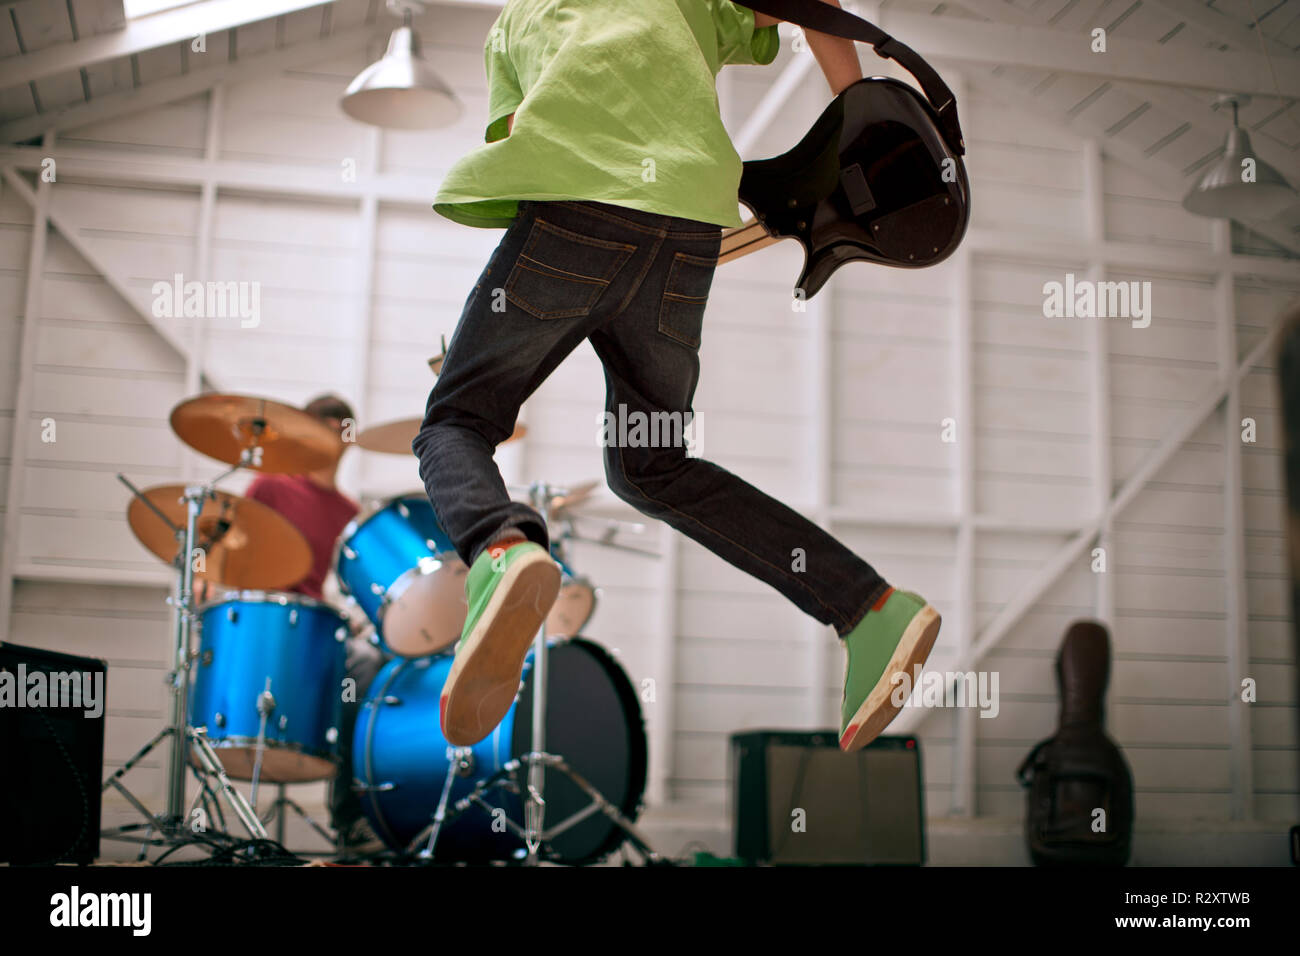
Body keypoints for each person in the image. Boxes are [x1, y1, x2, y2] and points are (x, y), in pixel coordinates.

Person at [413, 0, 941, 754]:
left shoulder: (514, 23)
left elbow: (524, 136)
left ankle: (502, 548)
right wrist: (856, 112)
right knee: (652, 464)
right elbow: (811, 7)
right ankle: (869, 607)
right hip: (687, 231)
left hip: (573, 217)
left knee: (457, 422)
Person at [242, 394, 386, 852]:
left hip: (315, 628)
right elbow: (229, 547)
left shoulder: (348, 513)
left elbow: (349, 588)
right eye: (319, 428)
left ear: (348, 441)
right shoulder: (269, 488)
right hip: (263, 619)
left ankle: (350, 818)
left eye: (337, 431)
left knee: (371, 664)